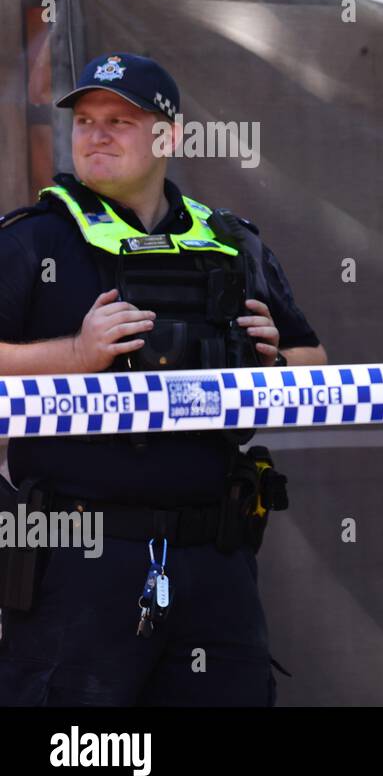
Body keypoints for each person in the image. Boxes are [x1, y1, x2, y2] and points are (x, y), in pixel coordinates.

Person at [0, 53, 326, 705]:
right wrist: (73, 354)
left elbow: (314, 365)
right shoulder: (34, 241)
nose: (95, 134)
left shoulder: (232, 242)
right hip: (80, 560)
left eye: (120, 120)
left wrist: (273, 363)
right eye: (86, 121)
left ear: (170, 136)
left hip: (215, 558)